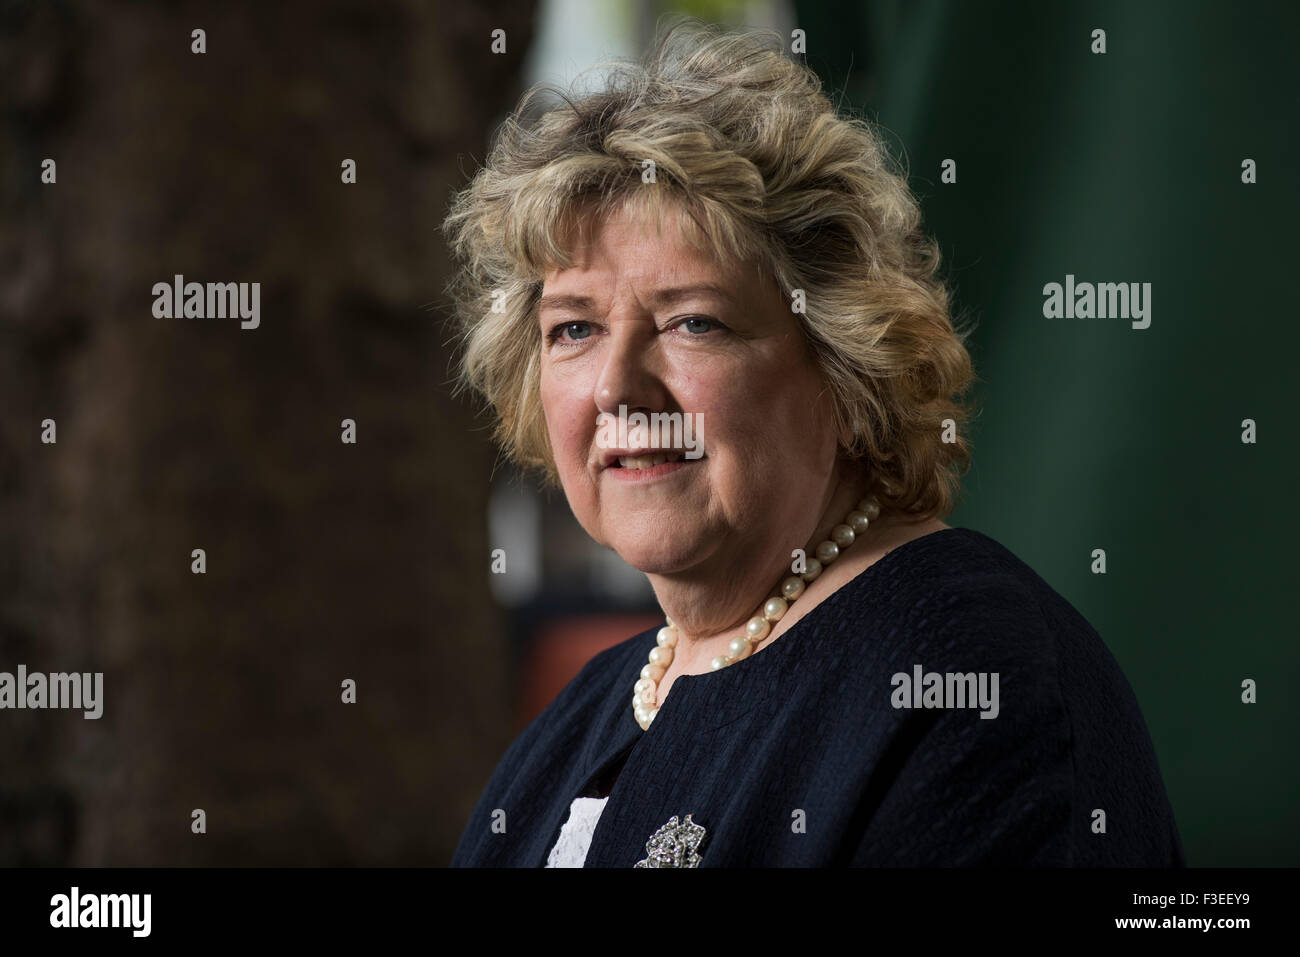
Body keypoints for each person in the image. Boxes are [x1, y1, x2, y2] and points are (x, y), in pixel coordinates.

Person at [443, 22, 1184, 867]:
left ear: (841, 357)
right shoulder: (579, 720)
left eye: (693, 322)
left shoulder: (969, 676)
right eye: (572, 328)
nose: (616, 386)